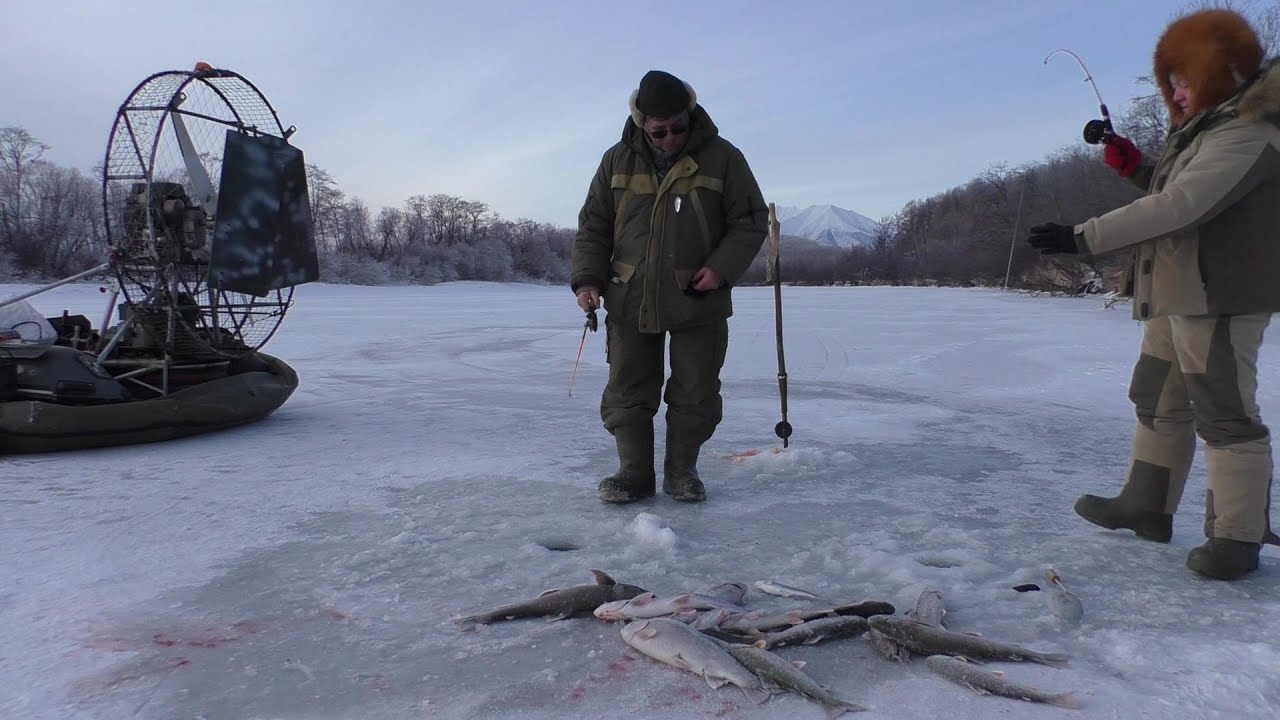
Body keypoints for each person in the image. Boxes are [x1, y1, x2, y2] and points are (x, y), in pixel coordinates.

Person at [1026, 8, 1280, 580]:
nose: (1176, 93)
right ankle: (1146, 506)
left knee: (1224, 413)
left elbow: (1182, 206)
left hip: (1219, 296)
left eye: (1184, 79)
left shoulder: (1252, 132)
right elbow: (1170, 186)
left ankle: (1237, 538)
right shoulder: (1206, 133)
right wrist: (1128, 157)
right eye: (1171, 83)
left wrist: (1082, 236)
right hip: (1176, 293)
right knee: (1157, 400)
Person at [571, 69, 768, 504]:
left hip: (699, 297)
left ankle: (682, 472)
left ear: (690, 115)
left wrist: (720, 268)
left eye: (678, 127)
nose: (669, 138)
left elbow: (750, 222)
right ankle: (632, 474)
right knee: (628, 388)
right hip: (629, 296)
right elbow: (594, 226)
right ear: (642, 122)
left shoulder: (724, 157)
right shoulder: (615, 160)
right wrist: (588, 279)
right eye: (659, 131)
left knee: (695, 389)